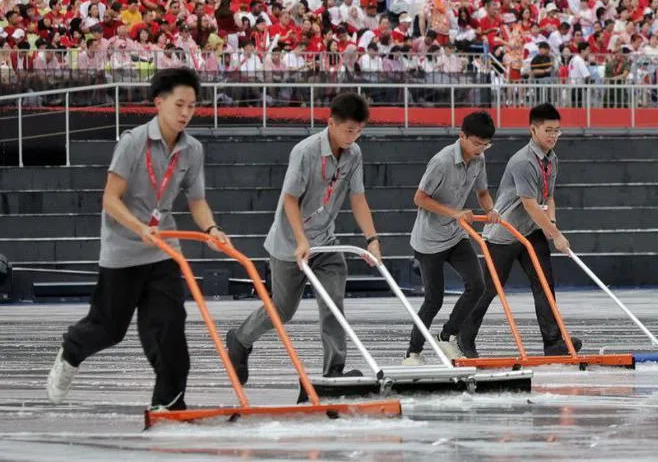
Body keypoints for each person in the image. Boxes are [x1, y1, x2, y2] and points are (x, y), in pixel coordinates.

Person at [47, 68, 230, 411]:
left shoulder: (193, 150)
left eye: (192, 106)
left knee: (169, 329)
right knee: (107, 329)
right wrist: (139, 227)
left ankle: (169, 404)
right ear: (158, 103)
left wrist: (211, 230)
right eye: (179, 104)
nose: (186, 113)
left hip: (162, 250)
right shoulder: (133, 142)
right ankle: (72, 349)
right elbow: (110, 199)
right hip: (123, 250)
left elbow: (196, 200)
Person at [226, 92, 383, 384]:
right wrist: (301, 240)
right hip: (289, 242)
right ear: (331, 123)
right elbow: (289, 200)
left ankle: (333, 371)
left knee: (333, 302)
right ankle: (240, 338)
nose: (354, 137)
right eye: (349, 130)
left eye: (359, 131)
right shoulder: (305, 151)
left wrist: (371, 238)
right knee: (283, 309)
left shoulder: (354, 154)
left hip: (325, 241)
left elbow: (358, 198)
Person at [458, 103, 580, 357]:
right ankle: (463, 336)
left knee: (544, 282)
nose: (553, 136)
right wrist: (555, 236)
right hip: (505, 233)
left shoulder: (551, 160)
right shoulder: (524, 161)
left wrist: (553, 225)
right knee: (490, 288)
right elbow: (531, 204)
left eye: (557, 131)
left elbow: (549, 198)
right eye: (548, 130)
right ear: (533, 130)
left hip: (530, 230)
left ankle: (553, 342)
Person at [404, 111, 498, 364]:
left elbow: (483, 193)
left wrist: (491, 210)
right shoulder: (442, 162)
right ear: (462, 137)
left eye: (485, 144)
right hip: (429, 241)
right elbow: (419, 198)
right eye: (476, 143)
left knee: (478, 285)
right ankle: (413, 353)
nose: (480, 149)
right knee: (434, 300)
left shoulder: (479, 160)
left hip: (455, 235)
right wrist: (455, 212)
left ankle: (447, 336)